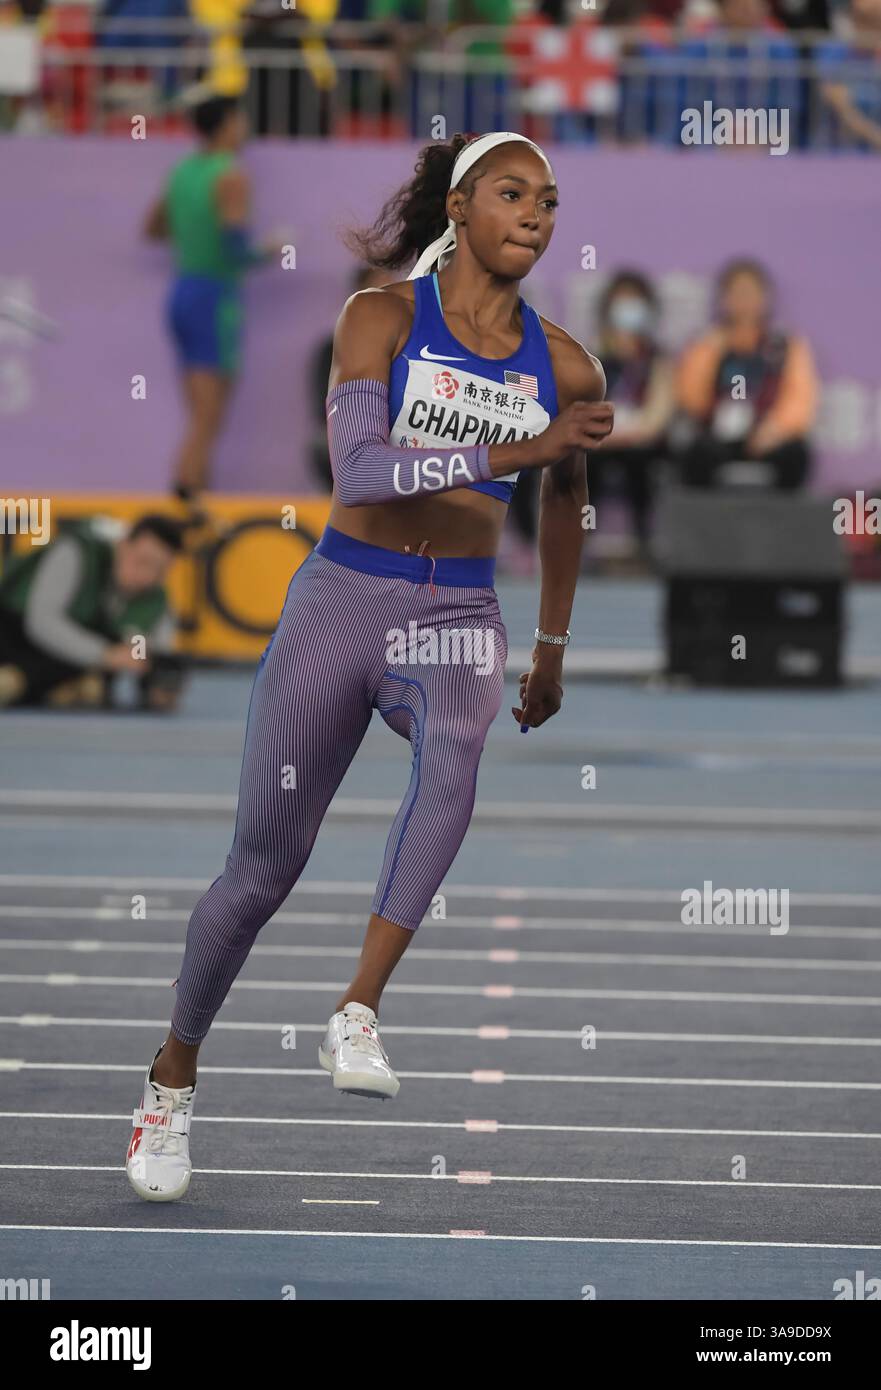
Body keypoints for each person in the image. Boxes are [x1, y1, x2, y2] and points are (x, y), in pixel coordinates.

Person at [124, 129, 614, 1202]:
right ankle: (173, 1076)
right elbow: (360, 472)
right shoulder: (379, 318)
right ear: (459, 207)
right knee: (260, 872)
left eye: (549, 202)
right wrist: (514, 451)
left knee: (456, 749)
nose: (536, 216)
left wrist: (551, 646)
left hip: (459, 610)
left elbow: (566, 504)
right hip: (342, 598)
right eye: (513, 194)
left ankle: (358, 1007)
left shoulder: (565, 363)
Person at [143, 92, 281, 511]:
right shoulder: (231, 175)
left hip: (182, 292)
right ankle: (183, 502)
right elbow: (236, 250)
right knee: (208, 417)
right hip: (215, 298)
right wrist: (270, 250)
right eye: (240, 119)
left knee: (200, 415)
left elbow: (153, 229)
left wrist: (193, 235)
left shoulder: (182, 171)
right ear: (226, 125)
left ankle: (195, 500)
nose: (244, 128)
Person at [0, 513, 185, 710]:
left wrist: (157, 681)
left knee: (96, 662)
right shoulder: (76, 552)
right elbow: (42, 623)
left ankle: (31, 685)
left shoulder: (155, 601)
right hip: (13, 634)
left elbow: (144, 647)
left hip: (69, 662)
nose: (148, 576)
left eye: (160, 571)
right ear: (123, 545)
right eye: (143, 562)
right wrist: (105, 655)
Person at [673, 258, 818, 490]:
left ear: (764, 298)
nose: (744, 301)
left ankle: (778, 514)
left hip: (767, 435)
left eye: (750, 293)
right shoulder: (707, 343)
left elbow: (800, 399)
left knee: (796, 454)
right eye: (737, 293)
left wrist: (775, 429)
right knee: (694, 452)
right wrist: (711, 351)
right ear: (724, 299)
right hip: (717, 436)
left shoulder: (785, 345)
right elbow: (692, 400)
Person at [580, 270, 674, 553]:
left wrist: (637, 433)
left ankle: (643, 542)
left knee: (641, 462)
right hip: (598, 439)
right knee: (582, 462)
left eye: (635, 302)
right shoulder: (591, 355)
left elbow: (659, 413)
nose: (627, 310)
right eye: (621, 302)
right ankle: (579, 540)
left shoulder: (656, 358)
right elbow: (579, 402)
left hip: (641, 440)